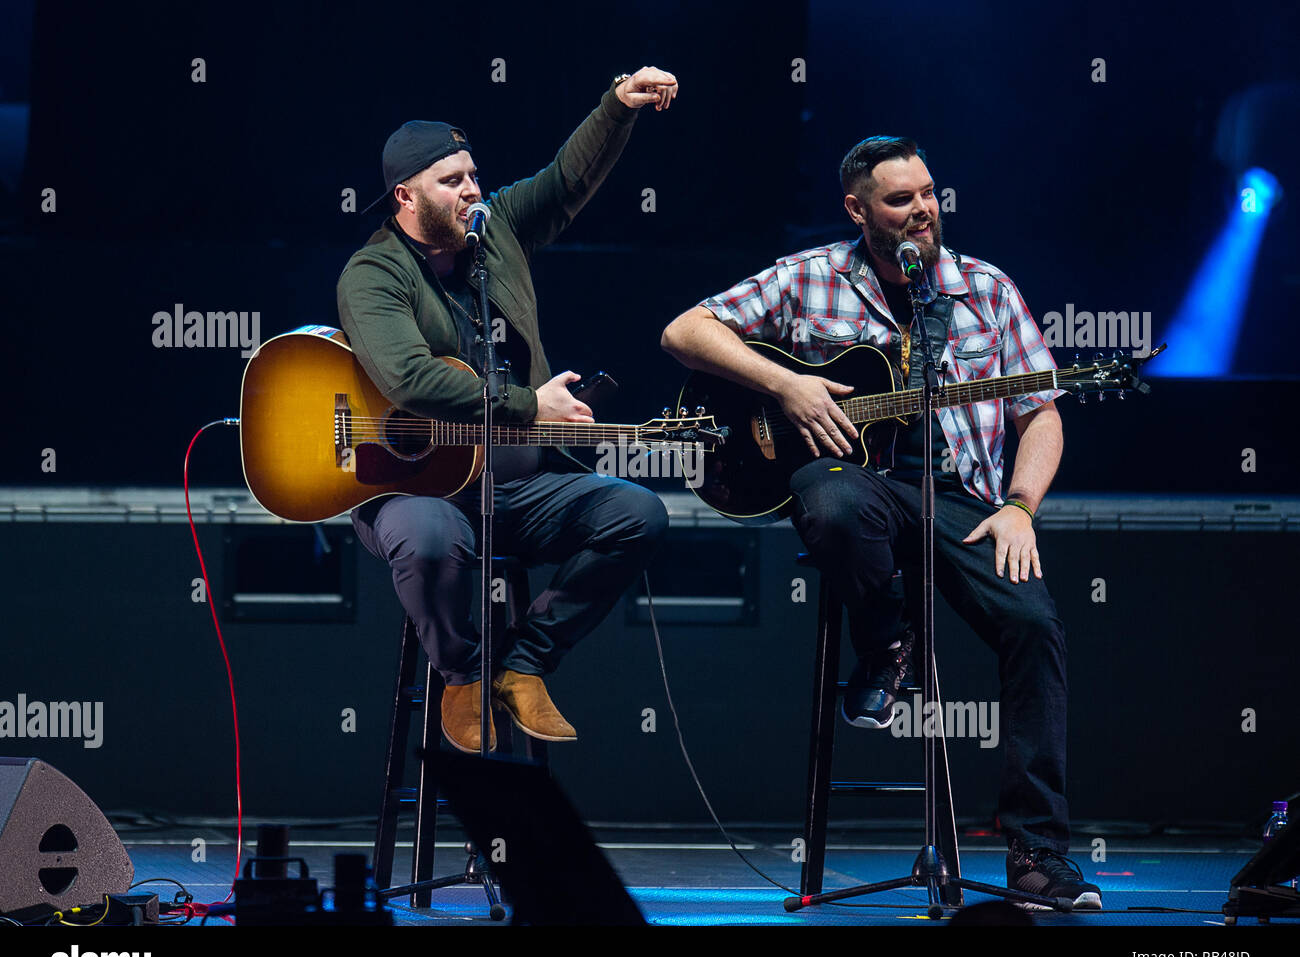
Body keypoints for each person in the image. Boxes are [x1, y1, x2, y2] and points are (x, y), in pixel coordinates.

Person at [659, 136, 1101, 910]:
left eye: (928, 193)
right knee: (830, 499)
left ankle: (1037, 856)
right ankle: (885, 640)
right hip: (854, 484)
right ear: (857, 211)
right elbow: (683, 331)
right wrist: (788, 384)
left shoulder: (985, 289)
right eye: (900, 200)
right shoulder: (811, 277)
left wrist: (1020, 505)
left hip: (961, 499)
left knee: (1035, 623)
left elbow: (1042, 413)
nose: (922, 211)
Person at [338, 69, 678, 754]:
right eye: (451, 181)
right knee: (431, 540)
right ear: (405, 196)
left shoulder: (496, 233)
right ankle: (464, 673)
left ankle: (524, 664)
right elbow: (409, 376)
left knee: (637, 514)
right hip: (413, 488)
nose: (472, 190)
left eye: (473, 176)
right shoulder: (373, 273)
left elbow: (566, 180)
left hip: (518, 488)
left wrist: (615, 106)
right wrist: (529, 405)